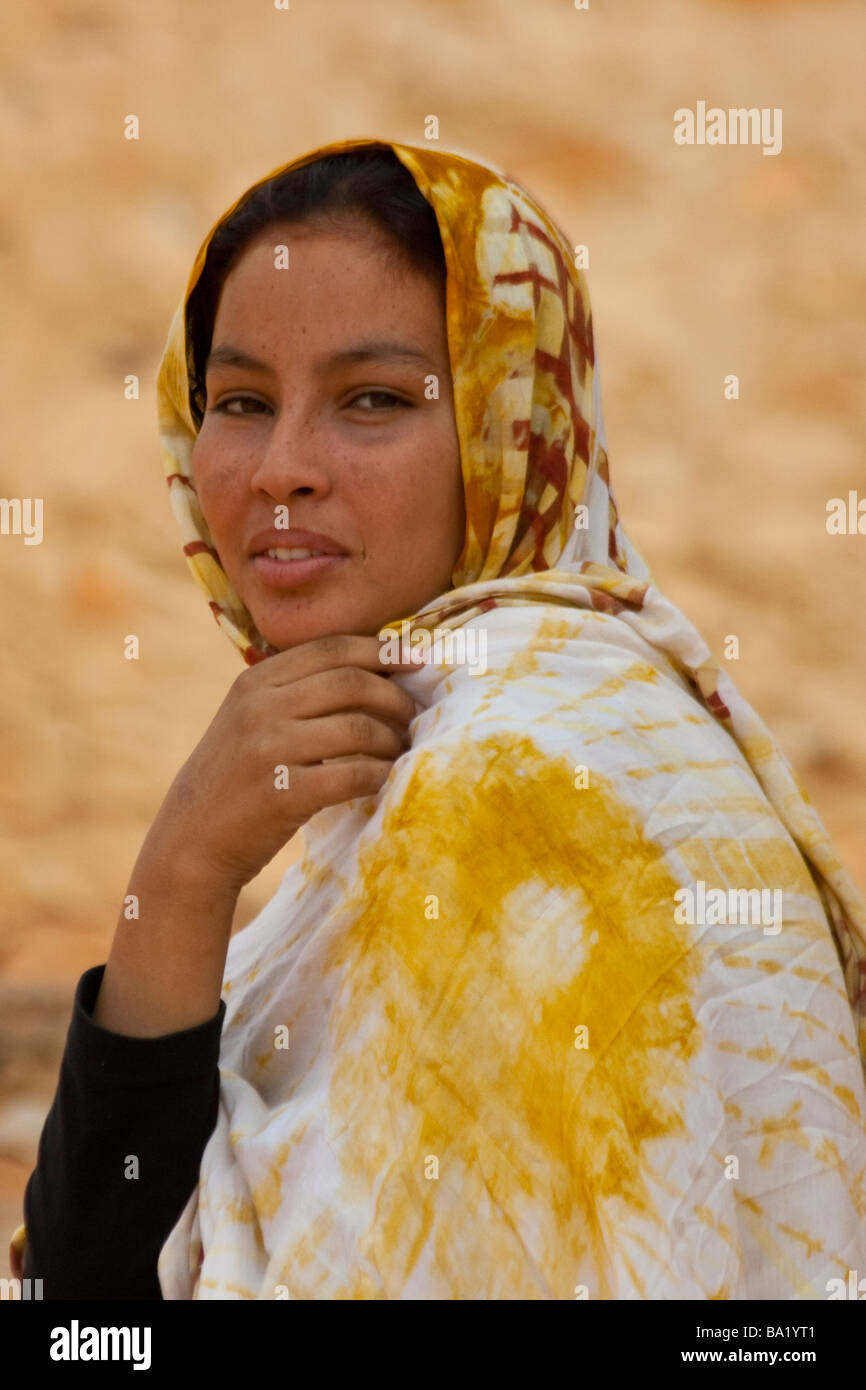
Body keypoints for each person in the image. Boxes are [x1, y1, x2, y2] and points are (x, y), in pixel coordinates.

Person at [12, 136, 866, 1301]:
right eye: (240, 402)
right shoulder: (457, 724)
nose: (281, 468)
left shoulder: (512, 787)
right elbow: (90, 1291)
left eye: (372, 400)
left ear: (509, 425)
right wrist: (180, 873)